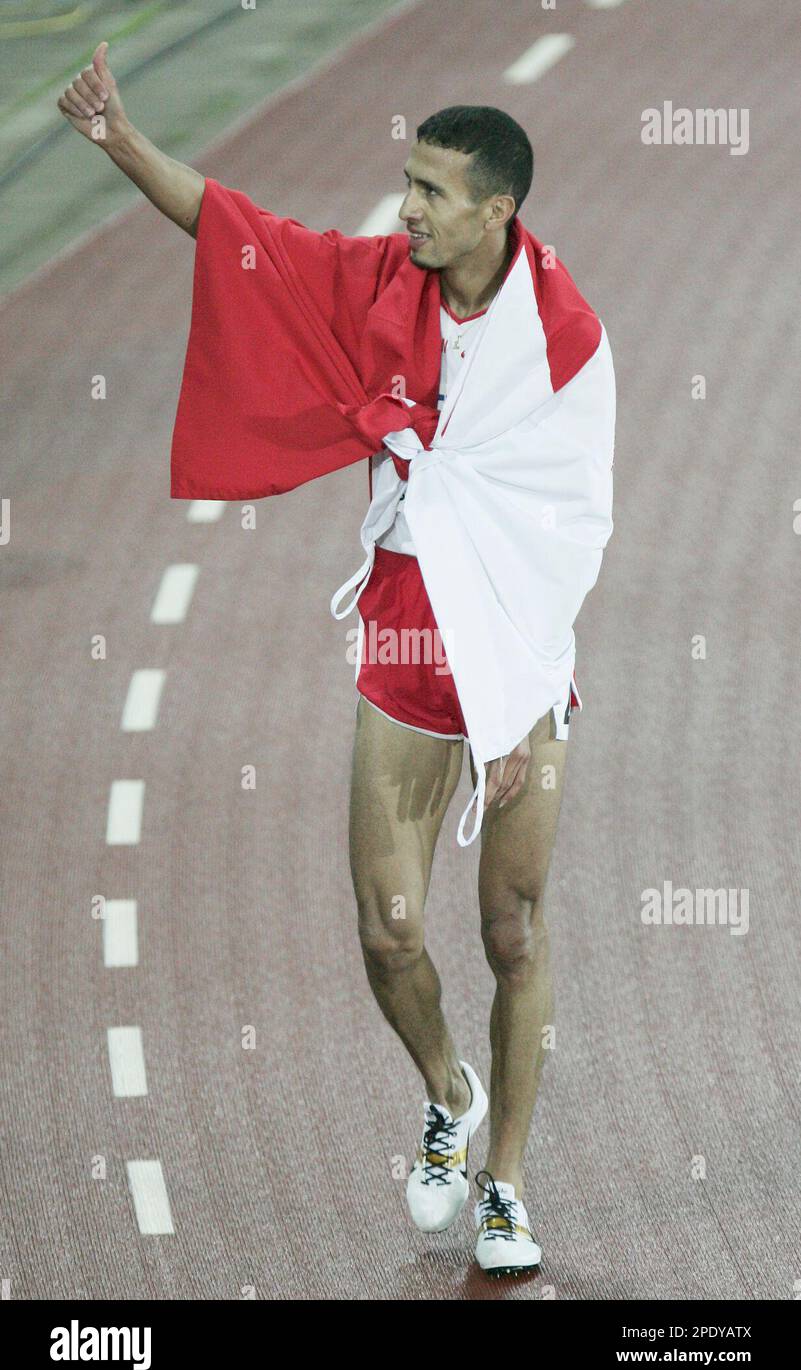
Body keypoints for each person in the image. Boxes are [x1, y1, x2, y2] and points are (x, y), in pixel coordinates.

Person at [57, 44, 614, 1278]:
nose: (405, 206)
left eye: (430, 190)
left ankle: (509, 1187)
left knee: (512, 932)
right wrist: (121, 141)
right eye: (405, 183)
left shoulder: (563, 340)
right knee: (388, 928)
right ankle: (446, 1091)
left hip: (517, 650)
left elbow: (573, 533)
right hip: (410, 631)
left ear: (495, 211)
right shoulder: (378, 282)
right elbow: (239, 229)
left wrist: (520, 716)